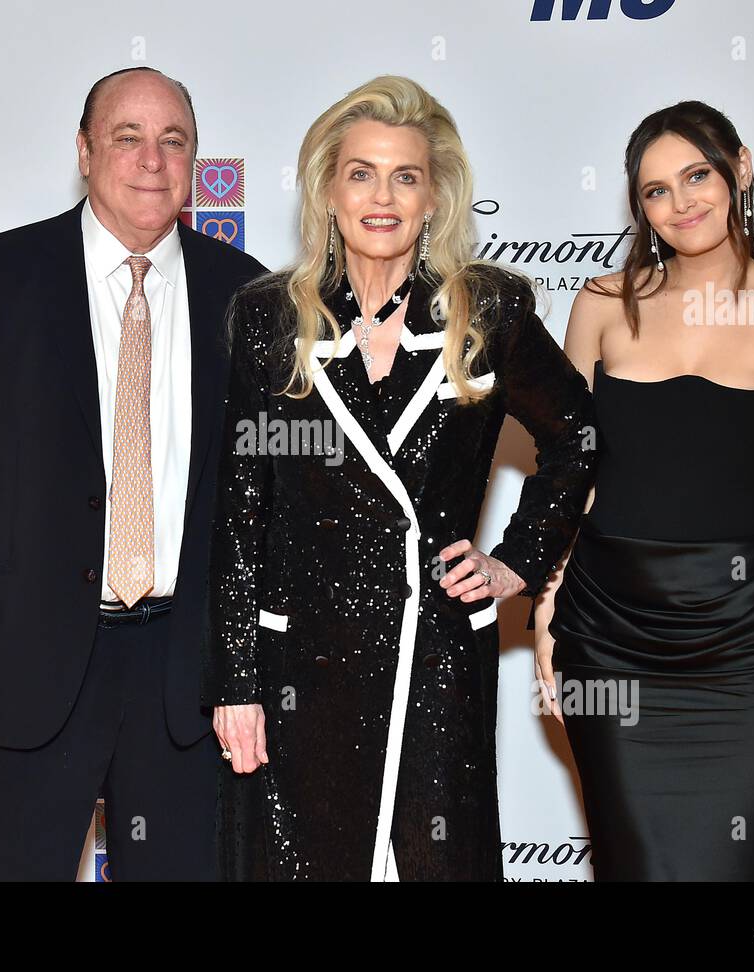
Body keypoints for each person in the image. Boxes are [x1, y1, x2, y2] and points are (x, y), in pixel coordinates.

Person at [205, 75, 597, 881]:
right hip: (300, 668)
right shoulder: (269, 316)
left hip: (437, 654)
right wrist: (236, 681)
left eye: (405, 176)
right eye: (361, 173)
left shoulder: (486, 311)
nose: (382, 197)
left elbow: (580, 436)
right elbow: (241, 510)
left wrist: (516, 561)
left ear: (433, 199)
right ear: (327, 192)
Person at [0, 66, 267, 880]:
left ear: (195, 161)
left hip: (187, 670)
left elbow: (260, 499)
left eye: (173, 140)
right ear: (83, 150)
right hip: (32, 659)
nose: (152, 159)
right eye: (128, 137)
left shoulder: (245, 291)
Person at [535, 100, 754, 881]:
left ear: (740, 168)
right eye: (656, 191)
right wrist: (547, 606)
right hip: (607, 629)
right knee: (635, 863)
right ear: (639, 207)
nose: (682, 203)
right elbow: (569, 478)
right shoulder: (603, 306)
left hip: (744, 640)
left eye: (697, 175)